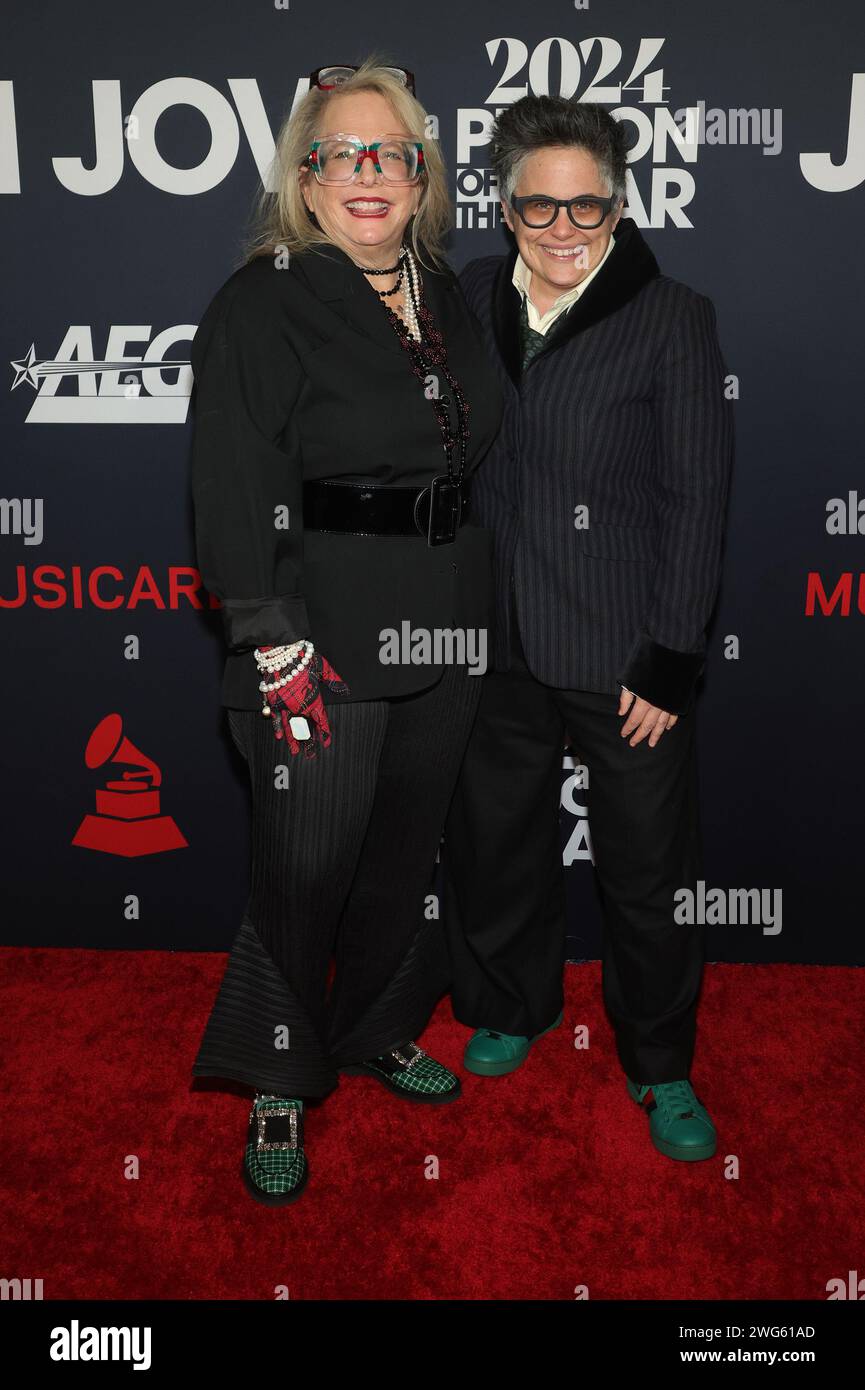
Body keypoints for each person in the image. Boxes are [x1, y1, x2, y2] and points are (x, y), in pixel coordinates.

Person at [188, 57, 503, 1204]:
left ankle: (372, 1024)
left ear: (422, 176)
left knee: (398, 855)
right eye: (341, 155)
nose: (368, 173)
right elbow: (231, 482)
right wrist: (274, 644)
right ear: (305, 180)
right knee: (304, 861)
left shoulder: (446, 289)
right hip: (318, 640)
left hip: (448, 624)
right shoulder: (264, 297)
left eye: (392, 153)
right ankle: (280, 1074)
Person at [443, 97, 734, 1162]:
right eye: (540, 207)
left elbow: (697, 498)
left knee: (646, 876)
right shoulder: (470, 294)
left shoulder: (672, 315)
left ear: (620, 202)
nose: (565, 230)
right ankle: (509, 1008)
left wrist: (667, 656)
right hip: (494, 641)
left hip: (623, 653)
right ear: (505, 205)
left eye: (589, 206)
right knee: (496, 851)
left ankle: (659, 1066)